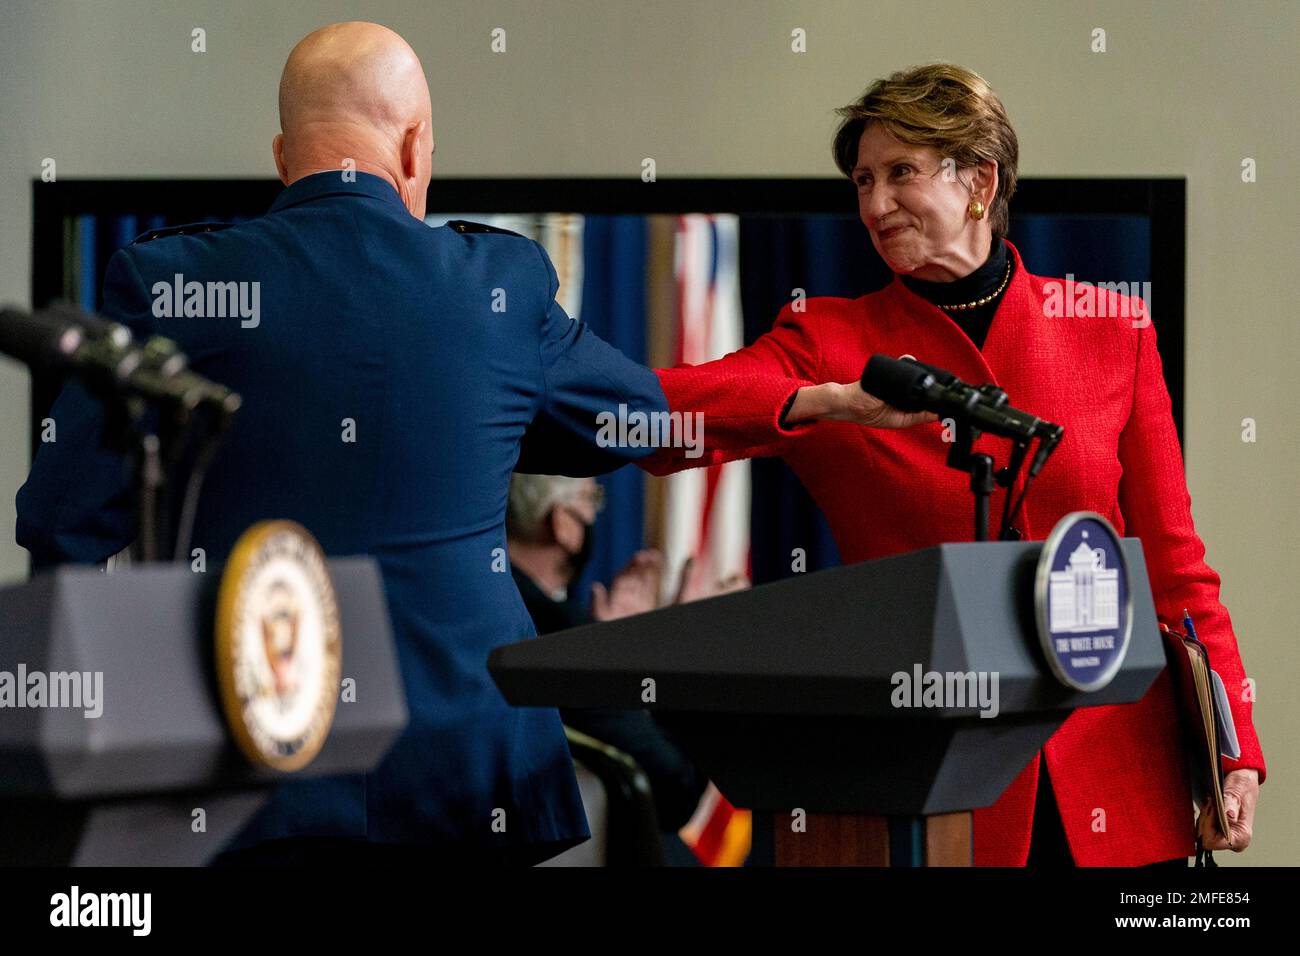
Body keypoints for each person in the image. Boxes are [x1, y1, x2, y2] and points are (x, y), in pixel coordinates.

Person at [14, 21, 674, 866]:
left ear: (284, 156)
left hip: (248, 762)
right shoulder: (500, 289)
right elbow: (645, 419)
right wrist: (801, 399)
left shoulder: (169, 283)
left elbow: (62, 520)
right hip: (468, 774)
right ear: (413, 143)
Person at [639, 63, 1264, 867]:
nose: (872, 204)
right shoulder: (828, 339)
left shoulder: (1113, 329)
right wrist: (823, 402)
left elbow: (1176, 569)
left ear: (980, 181)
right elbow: (661, 425)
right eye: (863, 179)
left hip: (1116, 775)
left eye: (901, 172)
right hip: (928, 786)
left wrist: (1234, 745)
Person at [507, 472, 733, 865]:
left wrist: (619, 658)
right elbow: (674, 791)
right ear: (562, 524)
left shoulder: (479, 612)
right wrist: (681, 659)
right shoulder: (563, 638)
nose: (595, 512)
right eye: (591, 499)